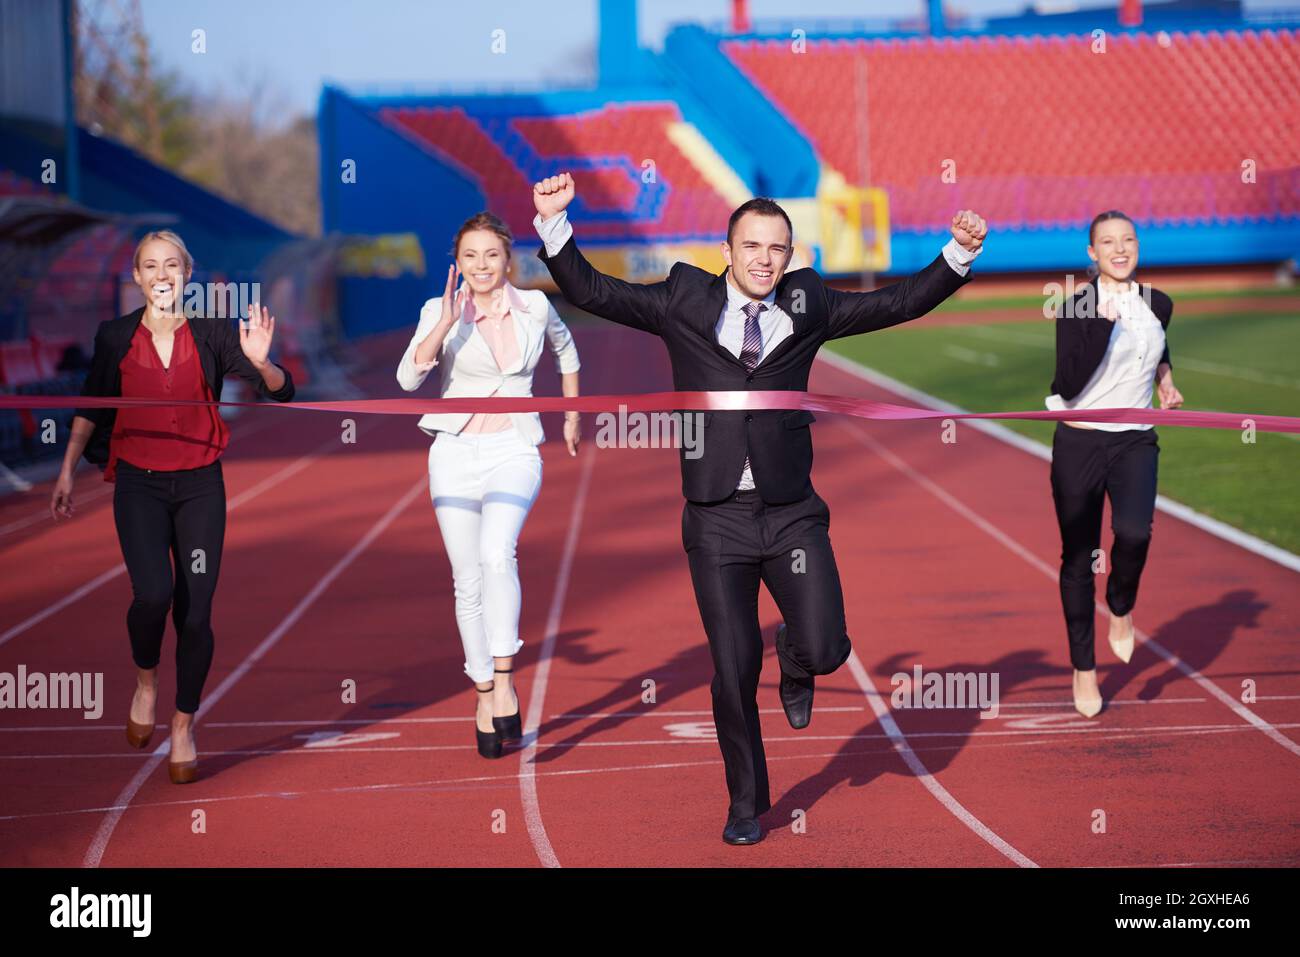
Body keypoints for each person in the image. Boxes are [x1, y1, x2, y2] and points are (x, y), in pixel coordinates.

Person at [531, 172, 987, 844]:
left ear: (789, 255)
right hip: (716, 518)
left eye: (777, 247)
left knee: (829, 644)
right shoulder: (684, 298)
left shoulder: (809, 304)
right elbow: (595, 291)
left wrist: (955, 256)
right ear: (728, 250)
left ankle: (797, 659)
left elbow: (894, 303)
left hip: (791, 511)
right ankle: (745, 800)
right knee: (733, 667)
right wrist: (553, 226)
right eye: (752, 245)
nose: (764, 259)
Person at [51, 230, 296, 784]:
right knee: (152, 595)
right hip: (138, 485)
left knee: (195, 611)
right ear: (137, 278)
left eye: (172, 265)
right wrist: (67, 467)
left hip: (199, 489)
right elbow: (91, 403)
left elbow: (282, 392)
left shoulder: (212, 332)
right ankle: (145, 680)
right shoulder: (114, 336)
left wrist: (262, 362)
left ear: (187, 274)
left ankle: (184, 724)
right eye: (150, 266)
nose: (162, 275)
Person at [396, 212, 581, 760]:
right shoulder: (440, 310)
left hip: (513, 448)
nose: (481, 265)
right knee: (467, 578)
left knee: (498, 554)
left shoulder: (537, 307)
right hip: (452, 453)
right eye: (470, 256)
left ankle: (503, 677)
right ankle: (481, 690)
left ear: (508, 260)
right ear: (458, 262)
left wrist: (571, 414)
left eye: (491, 255)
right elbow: (408, 379)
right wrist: (445, 323)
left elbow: (566, 349)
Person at [1046, 210, 1183, 718]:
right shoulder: (1073, 308)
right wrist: (1104, 322)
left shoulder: (1158, 303)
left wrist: (1165, 378)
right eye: (1108, 242)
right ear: (1092, 253)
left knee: (1135, 533)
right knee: (1078, 559)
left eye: (1128, 240)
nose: (1120, 249)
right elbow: (1069, 385)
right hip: (1080, 444)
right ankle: (1085, 669)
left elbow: (1159, 342)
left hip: (1134, 442)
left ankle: (1120, 607)